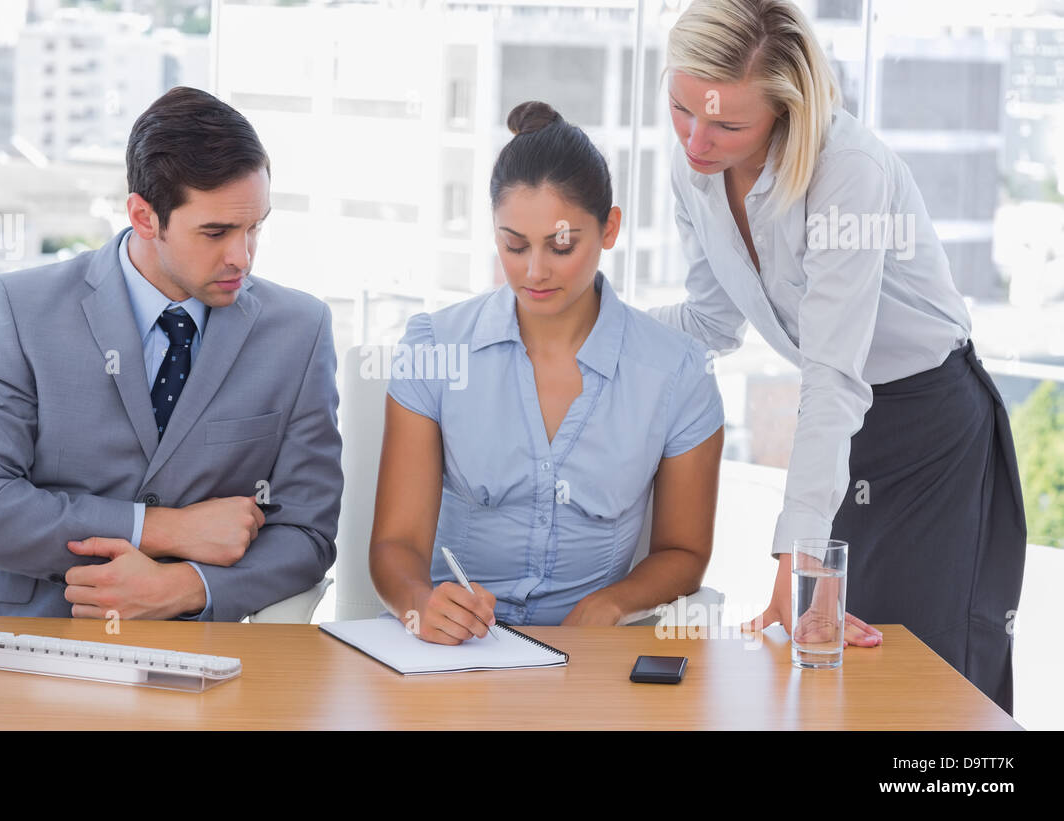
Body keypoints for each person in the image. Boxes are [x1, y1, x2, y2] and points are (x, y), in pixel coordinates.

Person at [652, 0, 1025, 711]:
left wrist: (795, 560)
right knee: (830, 675)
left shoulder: (844, 168)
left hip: (928, 431)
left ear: (785, 111)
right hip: (842, 434)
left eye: (729, 125)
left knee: (918, 683)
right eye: (681, 108)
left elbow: (831, 373)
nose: (697, 141)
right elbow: (710, 318)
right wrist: (589, 327)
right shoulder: (693, 170)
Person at [0, 87, 343, 622]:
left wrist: (183, 587)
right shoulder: (19, 309)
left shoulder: (299, 330)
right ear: (144, 217)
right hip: (21, 638)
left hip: (199, 652)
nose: (242, 256)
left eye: (255, 227)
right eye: (216, 231)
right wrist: (164, 529)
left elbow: (308, 532)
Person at [369, 100, 726, 643]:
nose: (534, 272)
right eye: (514, 245)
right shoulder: (435, 348)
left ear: (610, 229)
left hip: (588, 660)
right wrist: (422, 603)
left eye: (561, 245)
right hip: (449, 654)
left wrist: (611, 603)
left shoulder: (678, 373)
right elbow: (396, 544)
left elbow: (684, 552)